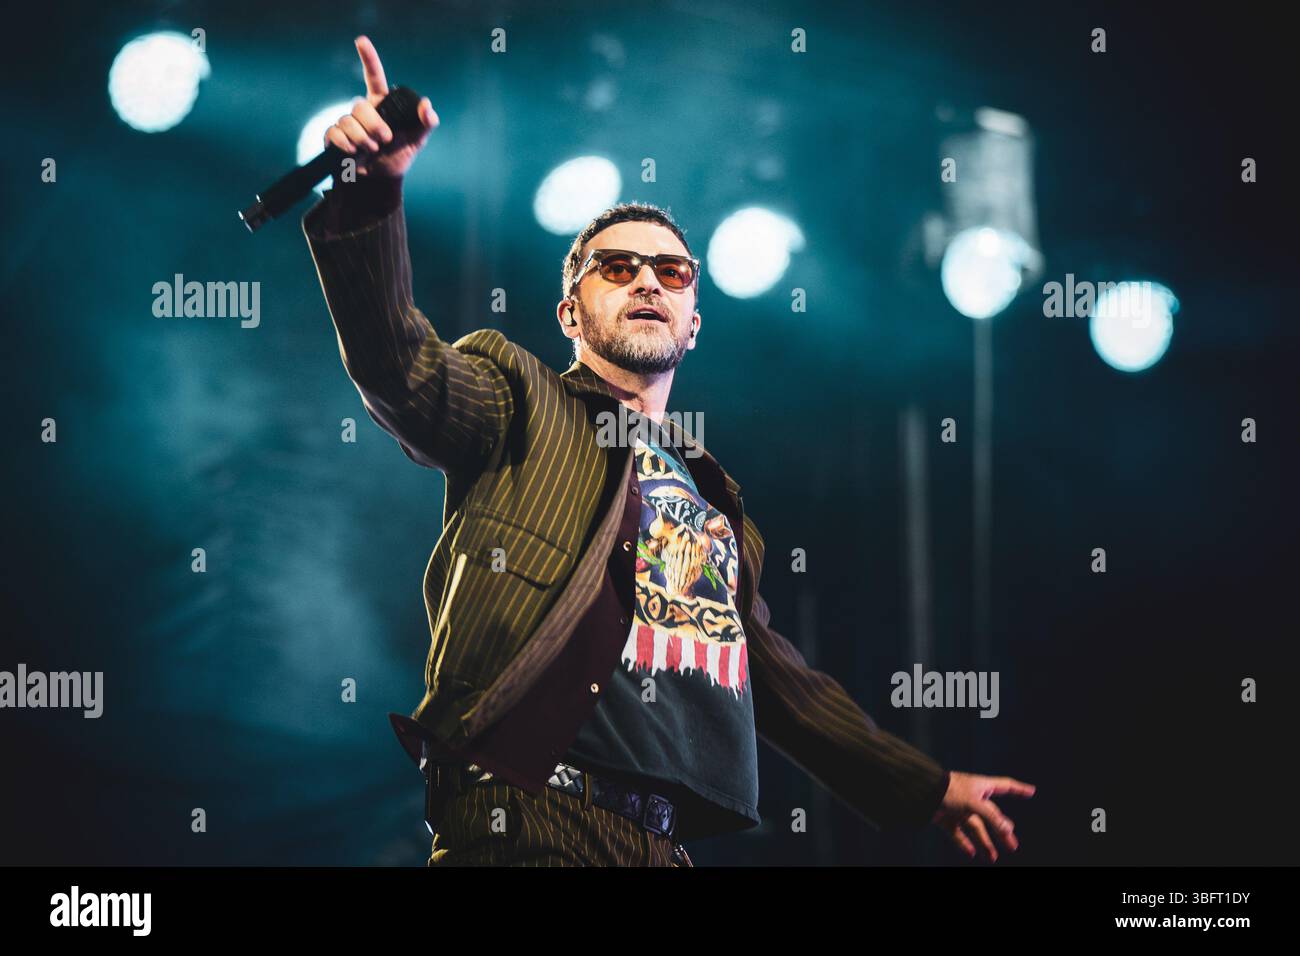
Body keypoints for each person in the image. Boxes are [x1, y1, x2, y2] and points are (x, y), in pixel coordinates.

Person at [302, 35, 1035, 867]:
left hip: (661, 843)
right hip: (526, 820)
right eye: (617, 267)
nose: (649, 282)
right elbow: (398, 366)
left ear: (694, 321)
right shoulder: (521, 397)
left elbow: (783, 687)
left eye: (673, 273)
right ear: (570, 314)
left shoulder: (718, 505)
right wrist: (370, 190)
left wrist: (927, 787)